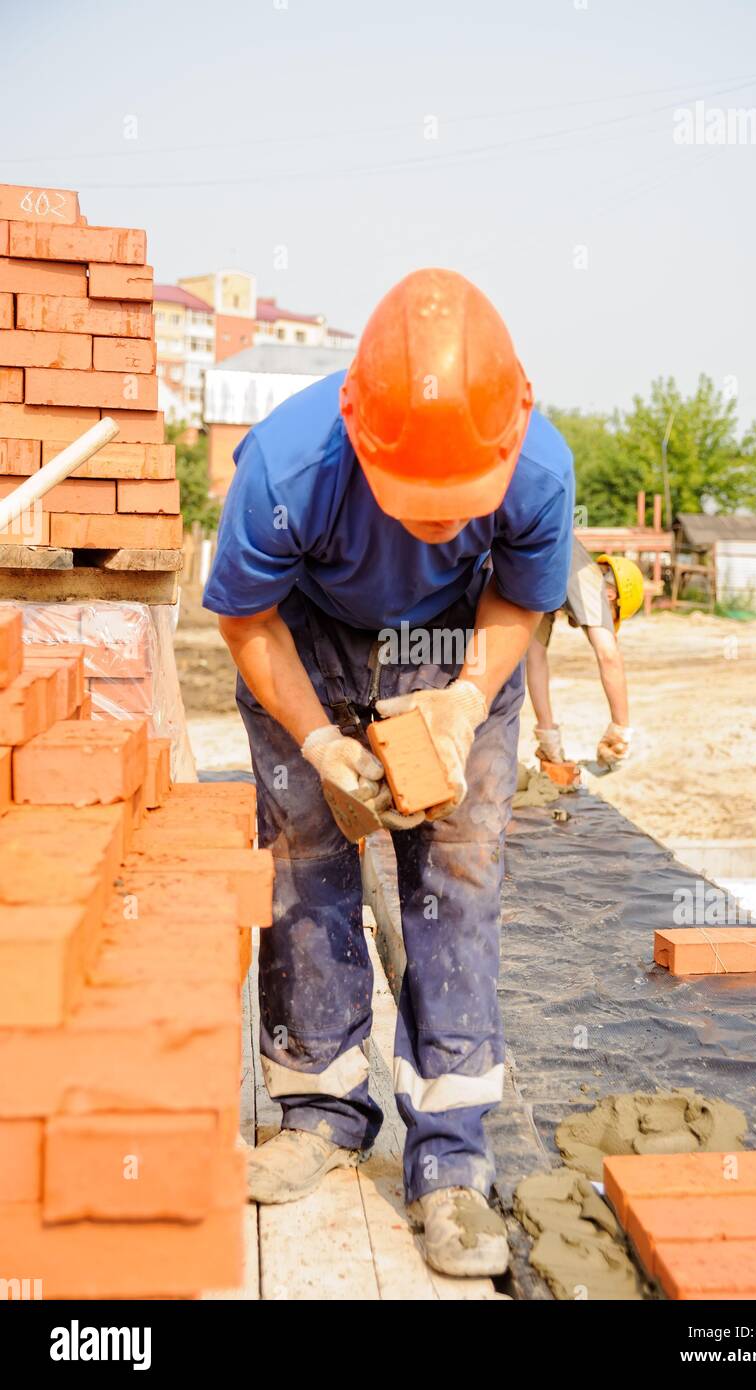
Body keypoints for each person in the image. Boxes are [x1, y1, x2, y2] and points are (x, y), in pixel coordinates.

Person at [203, 268, 574, 1277]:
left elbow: (520, 605)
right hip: (308, 638)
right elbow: (244, 617)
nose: (438, 528)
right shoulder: (288, 466)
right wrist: (322, 742)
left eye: (457, 509)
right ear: (361, 442)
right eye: (416, 507)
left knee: (456, 868)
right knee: (304, 858)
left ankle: (450, 1157)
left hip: (457, 645)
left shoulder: (537, 467)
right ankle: (321, 1109)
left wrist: (460, 701)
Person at [526, 540, 644, 768]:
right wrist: (620, 731)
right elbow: (608, 655)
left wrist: (547, 733)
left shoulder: (555, 583)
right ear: (610, 596)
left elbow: (535, 658)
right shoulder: (589, 580)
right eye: (611, 616)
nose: (606, 622)